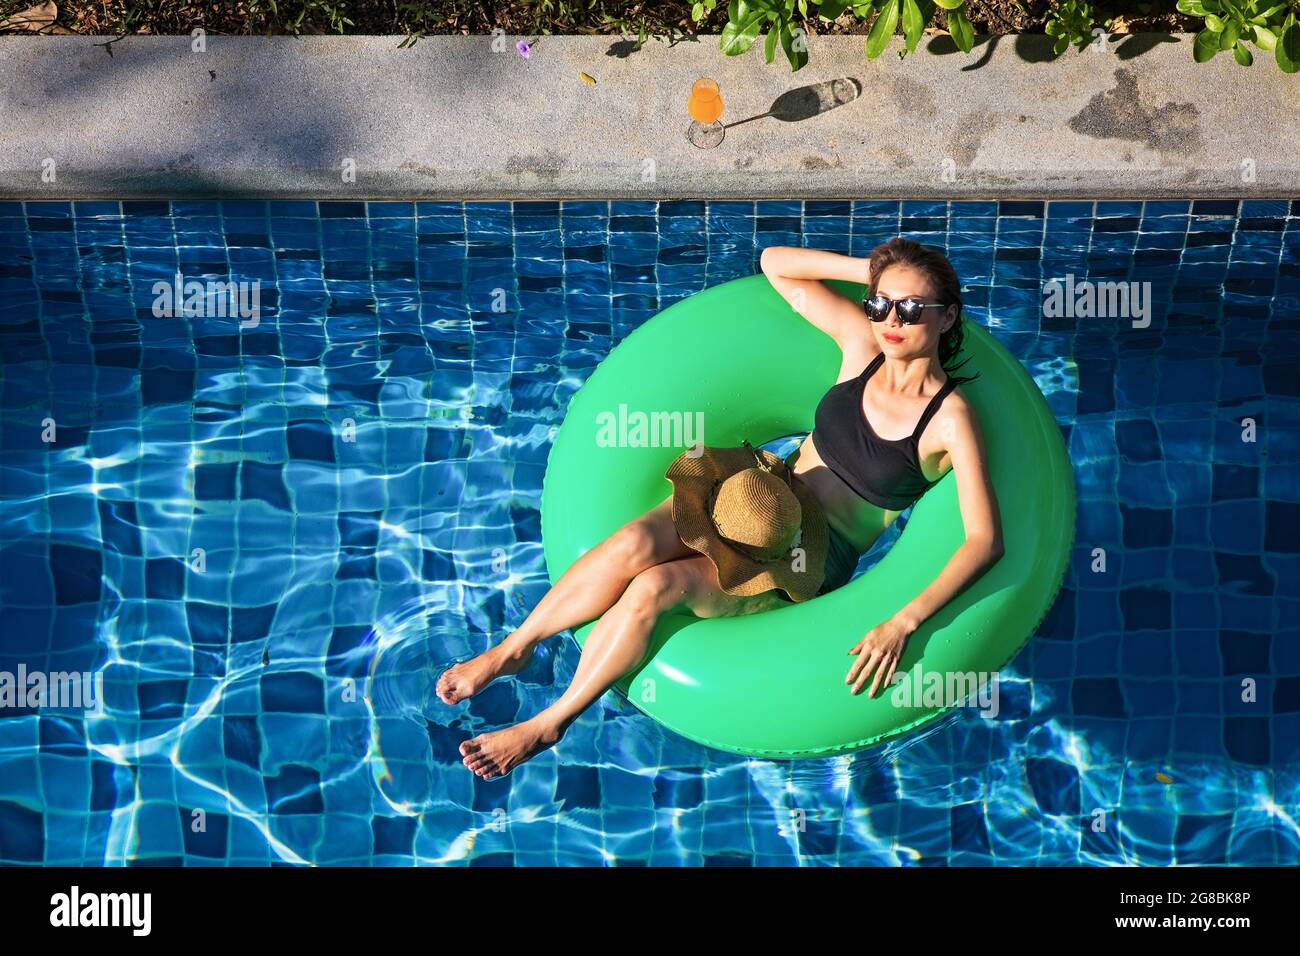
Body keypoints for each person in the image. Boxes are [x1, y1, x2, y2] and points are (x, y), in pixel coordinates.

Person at [440, 237, 1004, 778]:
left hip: (805, 556)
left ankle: (547, 724)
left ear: (947, 317)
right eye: (881, 304)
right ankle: (513, 649)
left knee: (655, 588)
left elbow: (984, 540)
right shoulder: (861, 346)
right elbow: (775, 263)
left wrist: (903, 622)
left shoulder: (949, 419)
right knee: (631, 543)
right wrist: (877, 271)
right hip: (752, 493)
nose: (891, 321)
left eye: (910, 309)